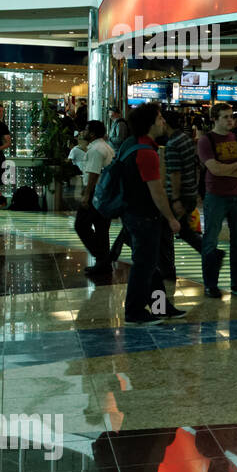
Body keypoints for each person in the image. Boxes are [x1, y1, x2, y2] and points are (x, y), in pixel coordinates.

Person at [118, 103, 184, 324]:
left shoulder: (131, 143)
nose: (163, 121)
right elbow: (156, 191)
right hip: (143, 217)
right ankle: (134, 311)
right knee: (143, 266)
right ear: (150, 124)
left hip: (132, 214)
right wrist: (171, 218)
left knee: (150, 264)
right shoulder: (146, 153)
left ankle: (159, 307)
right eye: (159, 118)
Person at [198, 103, 237, 299]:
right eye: (225, 117)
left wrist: (227, 167)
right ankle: (210, 284)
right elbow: (214, 169)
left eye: (231, 116)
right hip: (216, 196)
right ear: (214, 119)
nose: (230, 120)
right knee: (211, 240)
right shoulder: (206, 141)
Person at [163, 110, 219, 280]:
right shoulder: (186, 139)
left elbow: (175, 173)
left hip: (180, 195)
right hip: (190, 192)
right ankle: (211, 255)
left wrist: (175, 198)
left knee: (166, 233)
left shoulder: (173, 143)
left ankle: (168, 269)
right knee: (185, 231)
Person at [74, 120, 114, 278]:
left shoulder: (96, 149)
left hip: (96, 193)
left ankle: (103, 258)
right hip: (104, 193)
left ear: (92, 133)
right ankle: (103, 264)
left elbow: (93, 174)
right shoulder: (106, 147)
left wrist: (86, 195)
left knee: (81, 225)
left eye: (86, 129)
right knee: (102, 228)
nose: (83, 132)